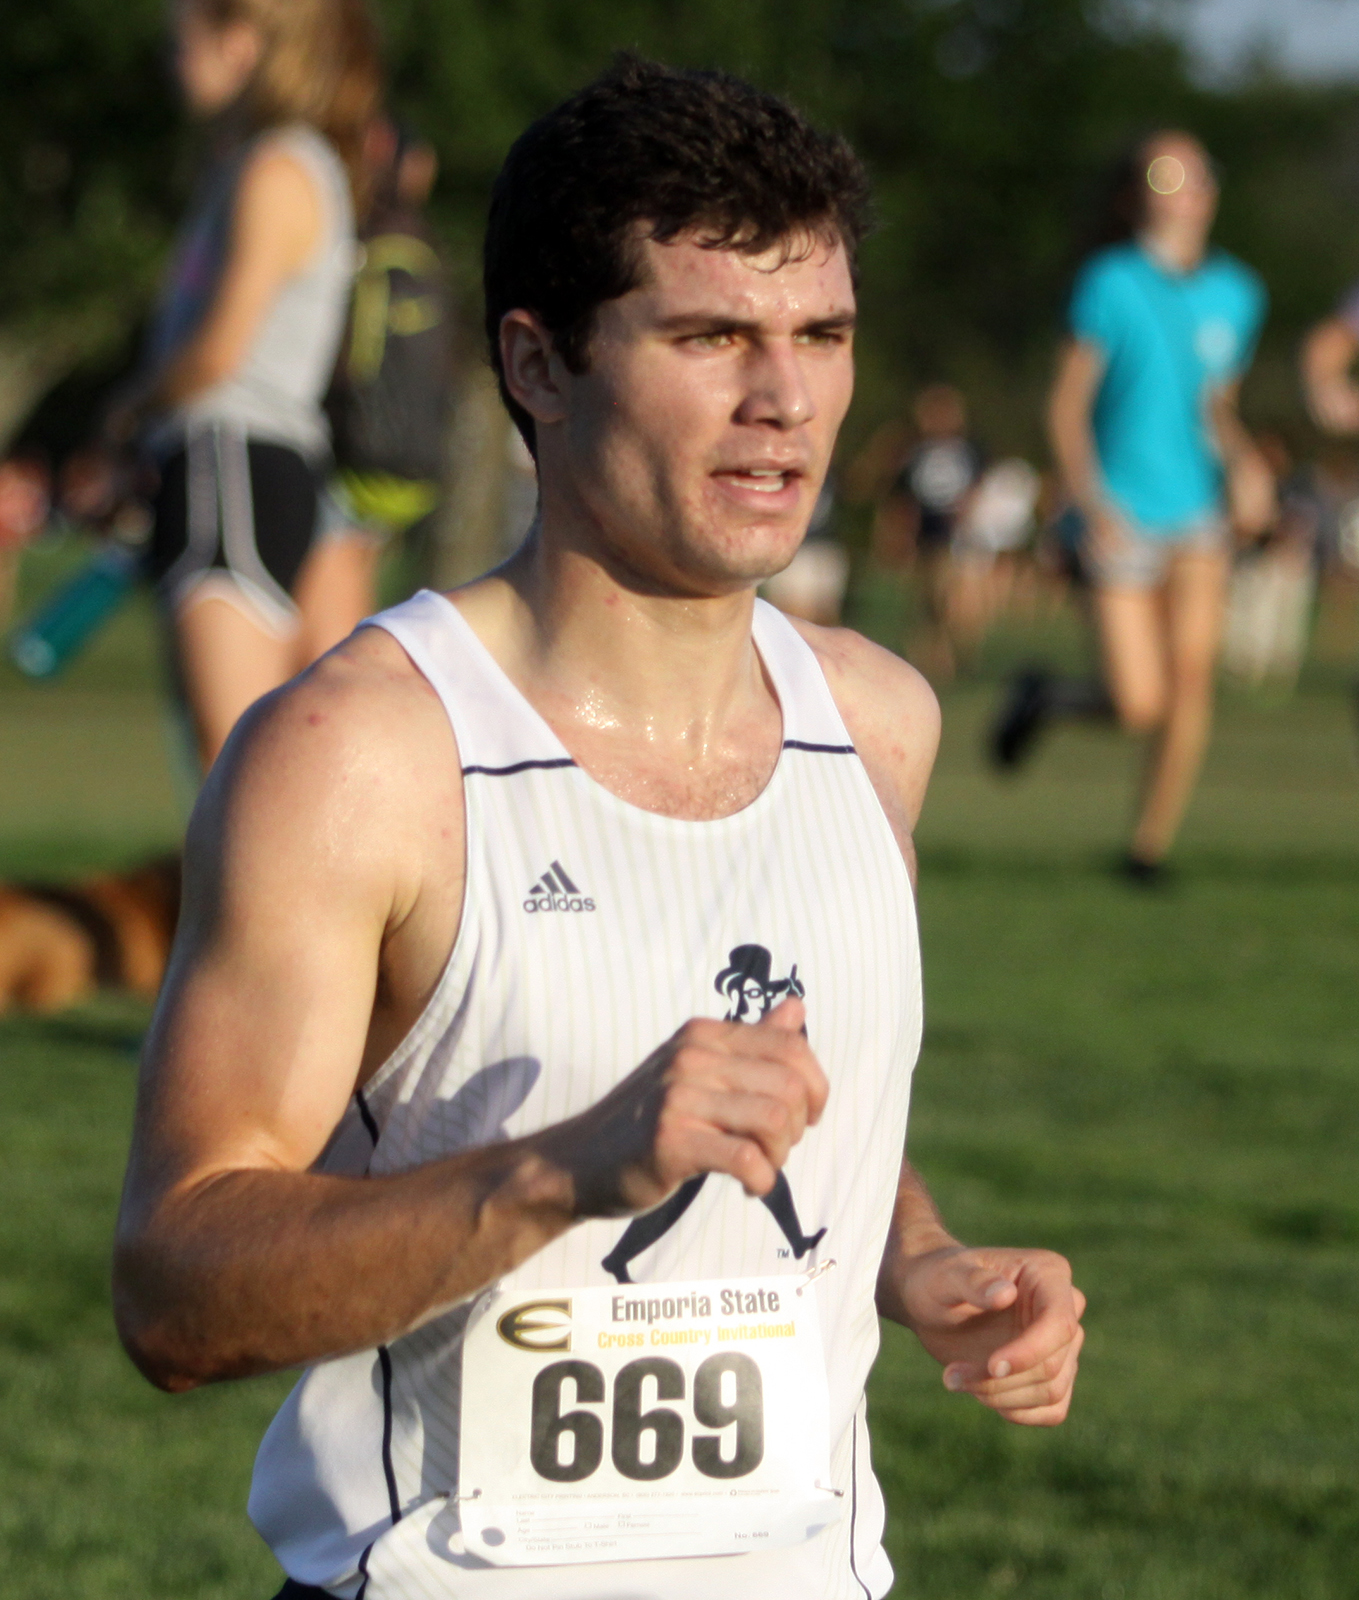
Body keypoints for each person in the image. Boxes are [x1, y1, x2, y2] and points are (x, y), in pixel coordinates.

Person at [113, 58, 1084, 1600]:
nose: (783, 401)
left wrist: (916, 1260)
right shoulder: (360, 756)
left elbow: (807, 1115)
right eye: (709, 337)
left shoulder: (874, 724)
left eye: (820, 335)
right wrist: (560, 1171)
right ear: (538, 365)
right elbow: (176, 1291)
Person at [93, 0, 381, 768]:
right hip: (255, 465)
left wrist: (125, 411)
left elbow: (219, 353)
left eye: (185, 42)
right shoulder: (262, 163)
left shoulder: (274, 169)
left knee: (236, 765)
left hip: (230, 461)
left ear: (242, 44)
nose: (173, 62)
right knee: (280, 760)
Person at [992, 131, 1272, 881]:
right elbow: (1065, 408)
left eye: (1198, 172)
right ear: (1132, 195)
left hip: (1197, 514)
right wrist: (1091, 503)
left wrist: (1245, 463)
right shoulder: (1109, 283)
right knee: (1138, 702)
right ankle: (1045, 699)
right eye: (1165, 173)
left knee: (1191, 682)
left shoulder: (1238, 293)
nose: (1186, 186)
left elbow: (1215, 405)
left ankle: (1146, 849)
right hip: (1118, 506)